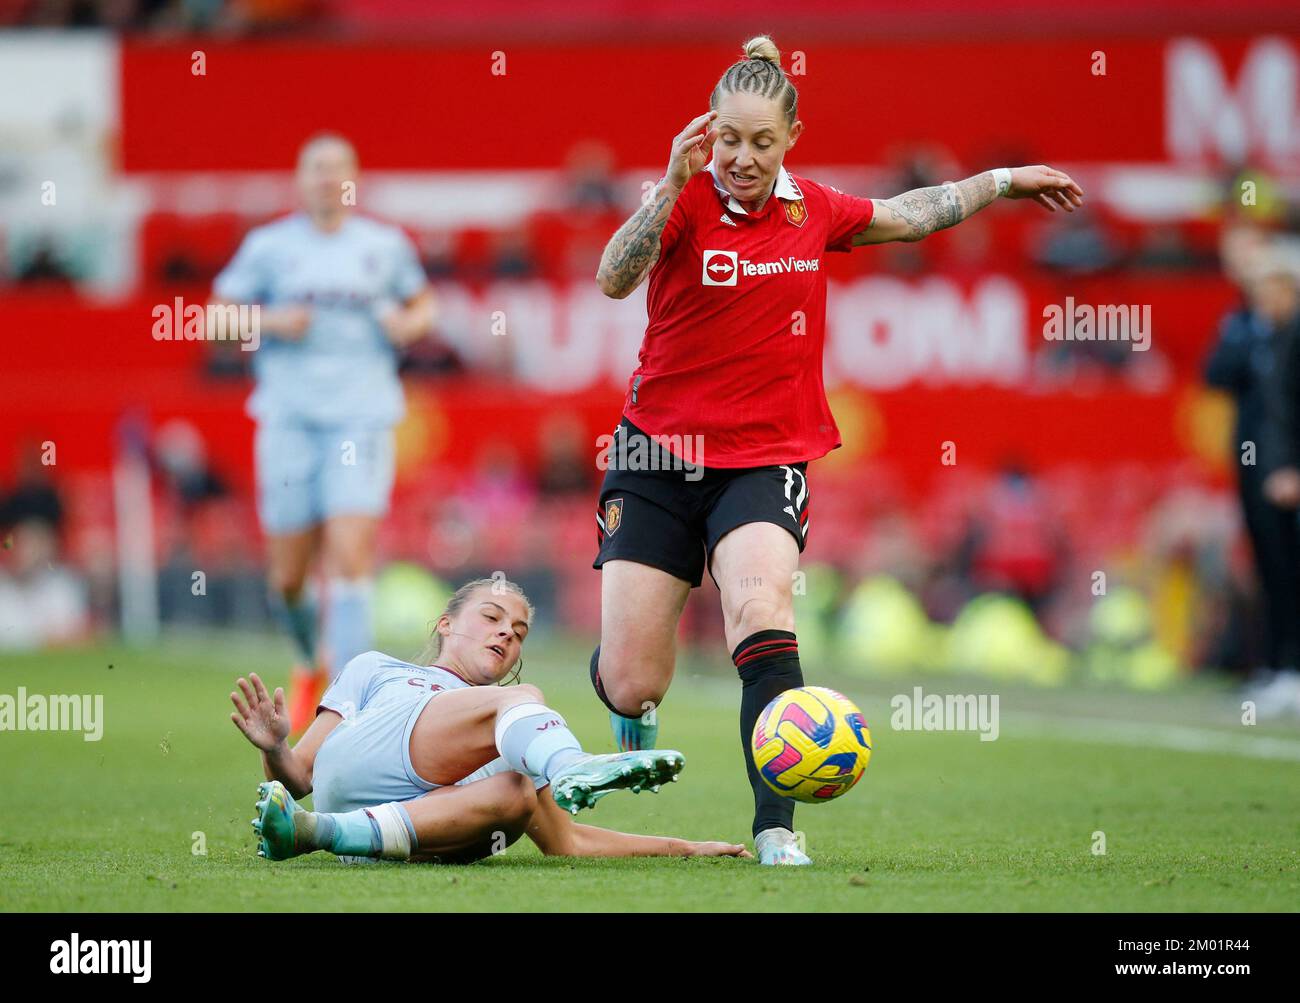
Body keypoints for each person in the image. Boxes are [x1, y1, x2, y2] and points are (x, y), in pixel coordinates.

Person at [591, 35, 1083, 865]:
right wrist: (670, 184)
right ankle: (629, 713)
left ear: (791, 137)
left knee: (761, 611)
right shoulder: (682, 201)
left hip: (763, 459)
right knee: (636, 678)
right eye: (730, 139)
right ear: (709, 131)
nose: (742, 158)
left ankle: (776, 828)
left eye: (762, 141)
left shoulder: (813, 210)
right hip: (654, 459)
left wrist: (1003, 182)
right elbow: (612, 276)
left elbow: (913, 214)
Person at [230, 577, 750, 863]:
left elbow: (567, 842)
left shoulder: (516, 728)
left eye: (518, 631)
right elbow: (299, 777)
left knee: (516, 796)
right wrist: (275, 747)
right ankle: (573, 766)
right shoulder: (376, 667)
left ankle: (317, 835)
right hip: (359, 764)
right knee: (521, 703)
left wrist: (685, 847)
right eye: (492, 618)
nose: (506, 634)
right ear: (446, 623)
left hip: (404, 824)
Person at [210, 133, 436, 733]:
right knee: (288, 576)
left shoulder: (383, 246)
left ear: (353, 180)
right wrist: (271, 319)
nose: (326, 179)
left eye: (337, 169)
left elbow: (424, 307)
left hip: (360, 417)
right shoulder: (270, 247)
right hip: (287, 418)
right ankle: (309, 658)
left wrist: (405, 326)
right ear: (299, 179)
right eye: (314, 169)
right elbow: (211, 319)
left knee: (350, 555)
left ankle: (350, 699)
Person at [1246, 245, 1300, 716]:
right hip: (1280, 466)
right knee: (1281, 570)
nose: (1261, 301)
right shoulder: (1276, 336)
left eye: (1268, 290)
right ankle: (1286, 669)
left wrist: (1288, 465)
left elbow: (1288, 411)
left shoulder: (1292, 335)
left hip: (1289, 468)